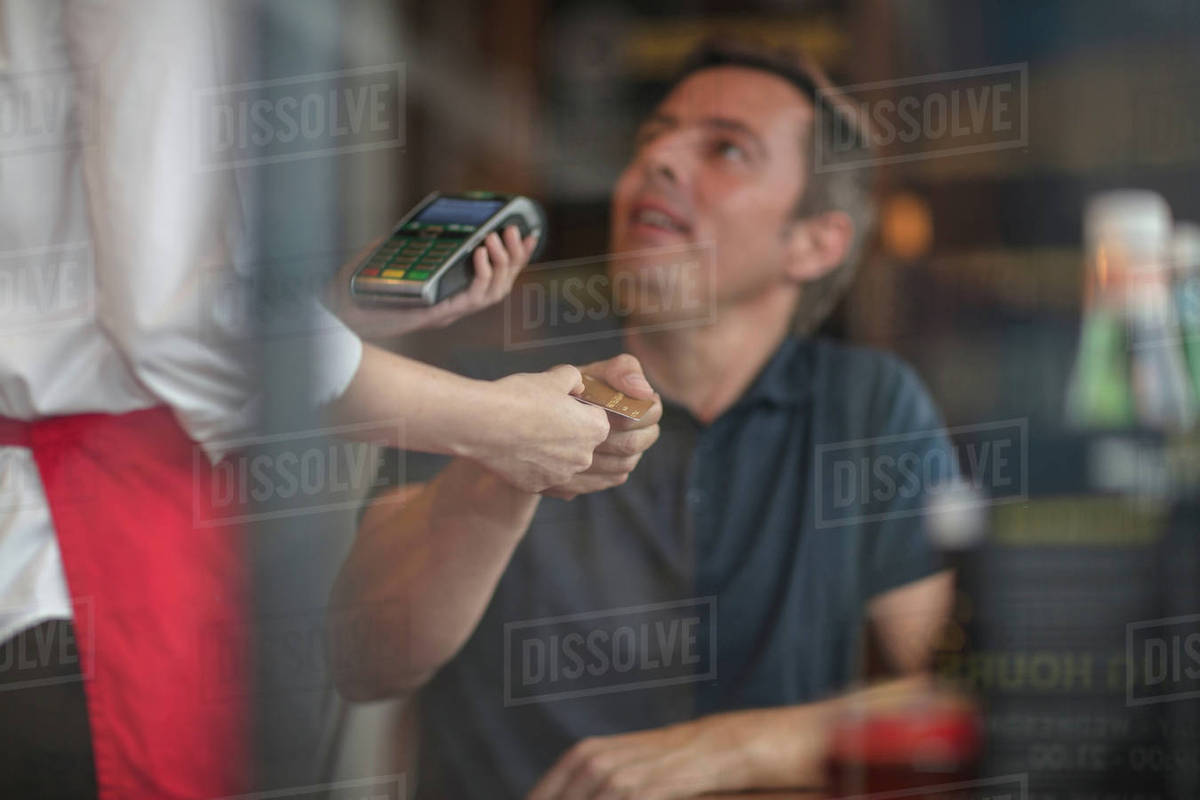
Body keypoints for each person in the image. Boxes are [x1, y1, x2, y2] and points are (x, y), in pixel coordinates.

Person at [0, 1, 611, 797]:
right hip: (73, 564)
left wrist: (336, 311)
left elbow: (123, 286)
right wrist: (498, 423)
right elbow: (176, 323)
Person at [333, 40, 957, 799]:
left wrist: (736, 748)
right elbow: (368, 657)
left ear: (814, 242)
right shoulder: (487, 385)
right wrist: (504, 451)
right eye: (652, 137)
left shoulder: (869, 406)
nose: (658, 160)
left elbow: (951, 693)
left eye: (727, 149)